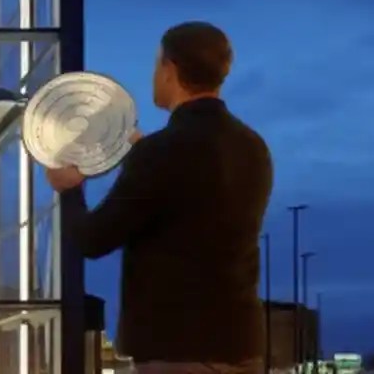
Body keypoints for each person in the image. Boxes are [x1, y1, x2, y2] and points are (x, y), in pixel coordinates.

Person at [45, 21, 273, 374]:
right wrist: (141, 149)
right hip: (241, 344)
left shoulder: (162, 153)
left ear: (170, 69)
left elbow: (93, 239)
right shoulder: (253, 146)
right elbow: (195, 195)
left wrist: (69, 190)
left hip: (176, 349)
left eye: (156, 65)